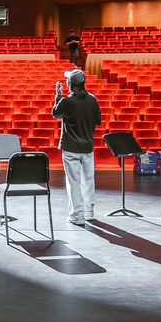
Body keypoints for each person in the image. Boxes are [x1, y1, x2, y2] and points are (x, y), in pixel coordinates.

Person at [51, 68, 101, 226]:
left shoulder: (67, 101)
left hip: (71, 148)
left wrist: (58, 96)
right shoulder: (92, 99)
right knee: (88, 181)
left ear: (70, 83)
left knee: (73, 182)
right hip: (87, 147)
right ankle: (89, 213)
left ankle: (77, 216)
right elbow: (98, 120)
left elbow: (55, 114)